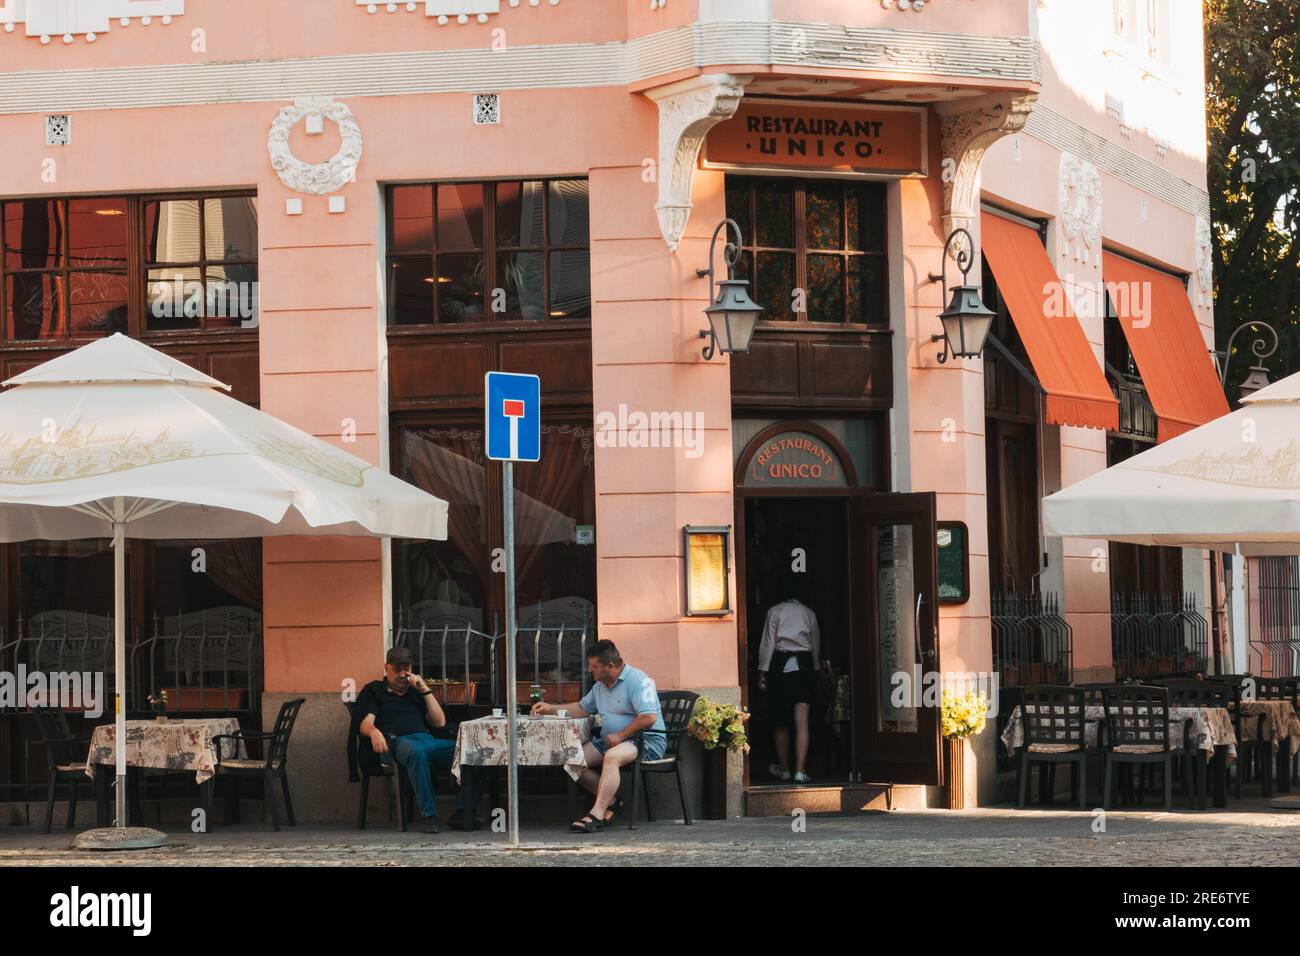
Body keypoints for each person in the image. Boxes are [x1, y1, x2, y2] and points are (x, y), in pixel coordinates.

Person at [531, 639, 665, 833]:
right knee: (573, 761)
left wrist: (620, 735)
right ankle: (611, 801)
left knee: (612, 757)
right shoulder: (601, 686)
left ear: (610, 666)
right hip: (613, 740)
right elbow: (581, 709)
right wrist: (550, 708)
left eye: (594, 666)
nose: (589, 670)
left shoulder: (638, 680)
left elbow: (648, 718)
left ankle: (596, 814)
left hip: (645, 740)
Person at [351, 646, 483, 833]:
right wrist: (374, 732)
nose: (403, 674)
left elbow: (439, 722)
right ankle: (430, 816)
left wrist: (425, 690)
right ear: (386, 668)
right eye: (397, 669)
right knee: (417, 752)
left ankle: (464, 812)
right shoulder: (375, 690)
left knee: (472, 752)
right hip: (396, 743)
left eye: (407, 668)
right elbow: (365, 724)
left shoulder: (415, 693)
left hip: (427, 739)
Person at [757, 575, 821, 784]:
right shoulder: (808, 613)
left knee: (780, 722)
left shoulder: (774, 611)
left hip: (780, 668)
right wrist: (816, 668)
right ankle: (800, 771)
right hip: (803, 669)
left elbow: (768, 644)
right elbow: (815, 643)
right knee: (802, 723)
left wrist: (763, 672)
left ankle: (784, 770)